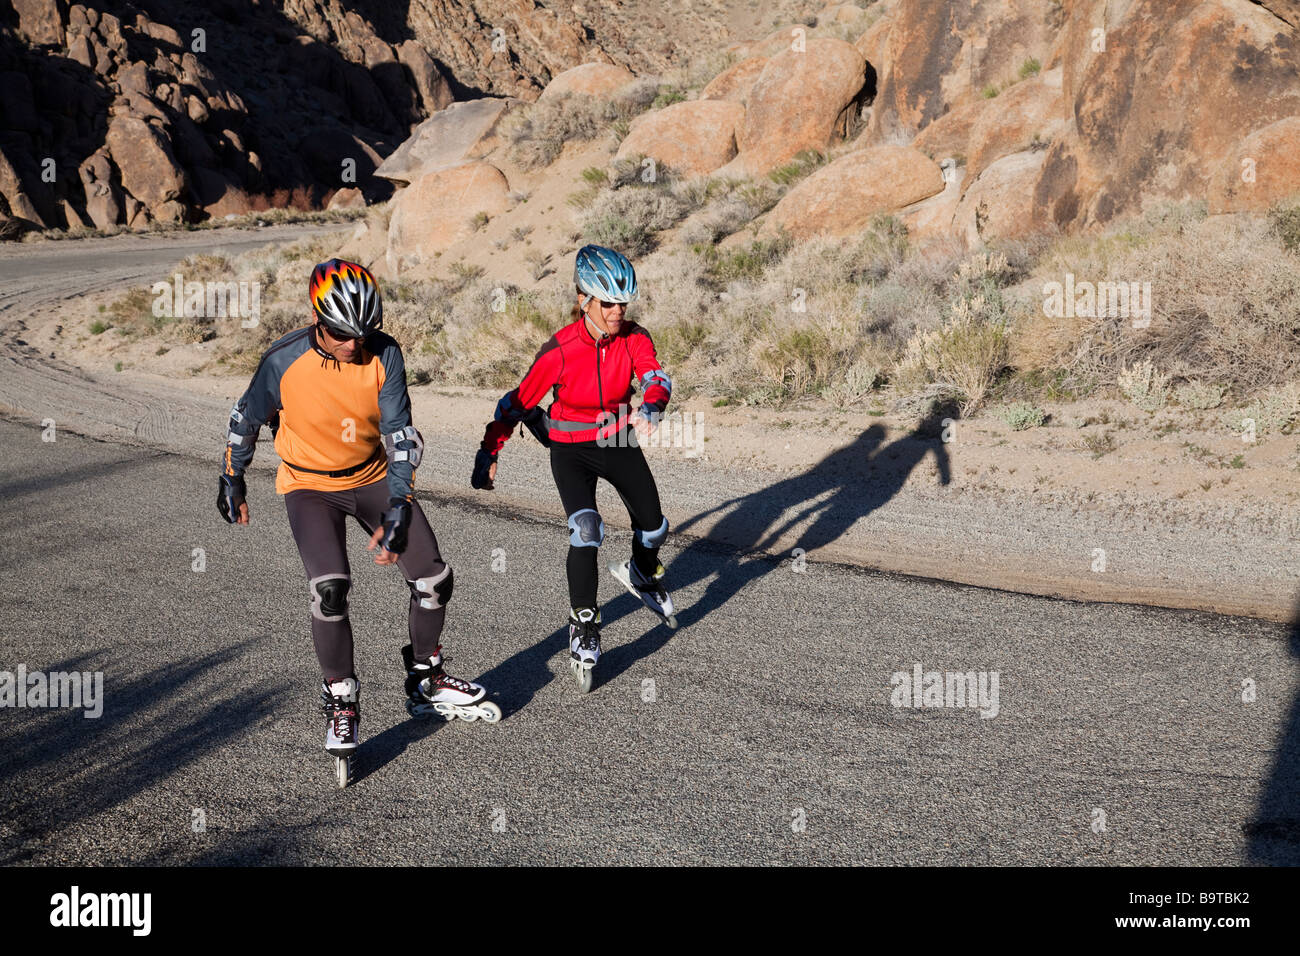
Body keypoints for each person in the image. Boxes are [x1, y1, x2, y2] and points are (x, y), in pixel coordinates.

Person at [217, 258, 498, 772]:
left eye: (363, 333)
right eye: (344, 334)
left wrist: (398, 506)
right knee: (330, 588)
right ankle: (342, 701)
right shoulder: (282, 361)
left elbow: (401, 435)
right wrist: (232, 477)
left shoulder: (384, 353)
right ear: (318, 320)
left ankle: (426, 679)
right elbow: (245, 418)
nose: (355, 344)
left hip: (370, 477)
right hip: (310, 486)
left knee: (435, 579)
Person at [471, 245, 676, 688]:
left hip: (617, 438)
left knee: (656, 528)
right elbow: (516, 403)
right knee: (587, 530)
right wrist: (490, 451)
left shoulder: (635, 337)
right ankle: (584, 623)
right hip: (570, 450)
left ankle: (641, 570)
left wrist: (653, 407)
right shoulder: (559, 351)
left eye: (623, 302)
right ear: (584, 299)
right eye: (608, 302)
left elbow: (655, 376)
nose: (618, 311)